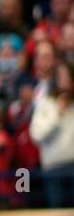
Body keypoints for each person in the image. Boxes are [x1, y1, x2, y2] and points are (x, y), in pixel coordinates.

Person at [30, 62, 74, 208]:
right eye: (61, 76)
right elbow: (36, 135)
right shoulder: (46, 104)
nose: (64, 80)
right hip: (54, 169)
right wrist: (57, 116)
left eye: (67, 76)